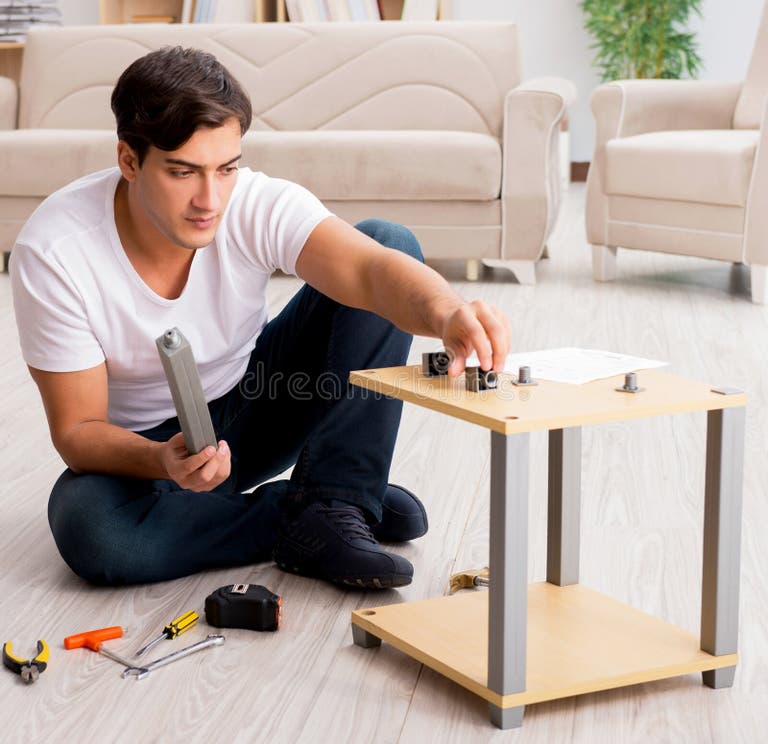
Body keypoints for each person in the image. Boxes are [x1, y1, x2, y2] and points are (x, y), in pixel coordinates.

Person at [10, 47, 510, 589]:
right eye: (183, 172)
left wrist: (447, 310)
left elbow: (370, 269)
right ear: (129, 161)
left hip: (258, 401)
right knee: (94, 530)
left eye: (226, 168)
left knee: (389, 241)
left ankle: (337, 499)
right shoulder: (56, 250)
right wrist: (161, 459)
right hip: (148, 451)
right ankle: (322, 504)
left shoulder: (252, 203)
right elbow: (78, 431)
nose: (209, 199)